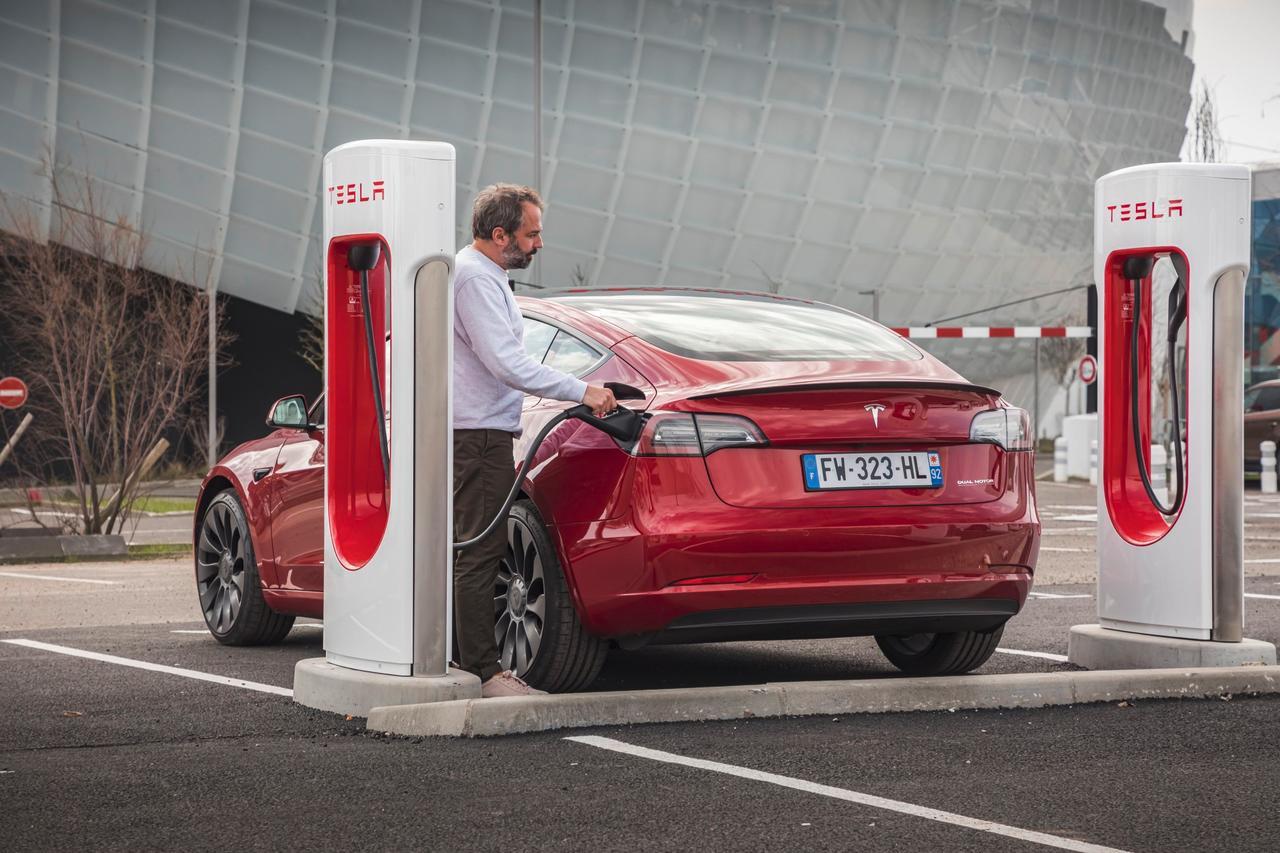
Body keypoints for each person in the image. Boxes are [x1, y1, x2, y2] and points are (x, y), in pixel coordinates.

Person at [453, 183, 616, 698]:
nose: (539, 243)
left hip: (480, 431)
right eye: (532, 233)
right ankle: (484, 673)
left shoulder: (485, 275)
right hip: (476, 435)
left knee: (474, 546)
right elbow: (507, 363)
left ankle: (464, 662)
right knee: (481, 549)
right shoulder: (474, 279)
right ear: (500, 234)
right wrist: (584, 390)